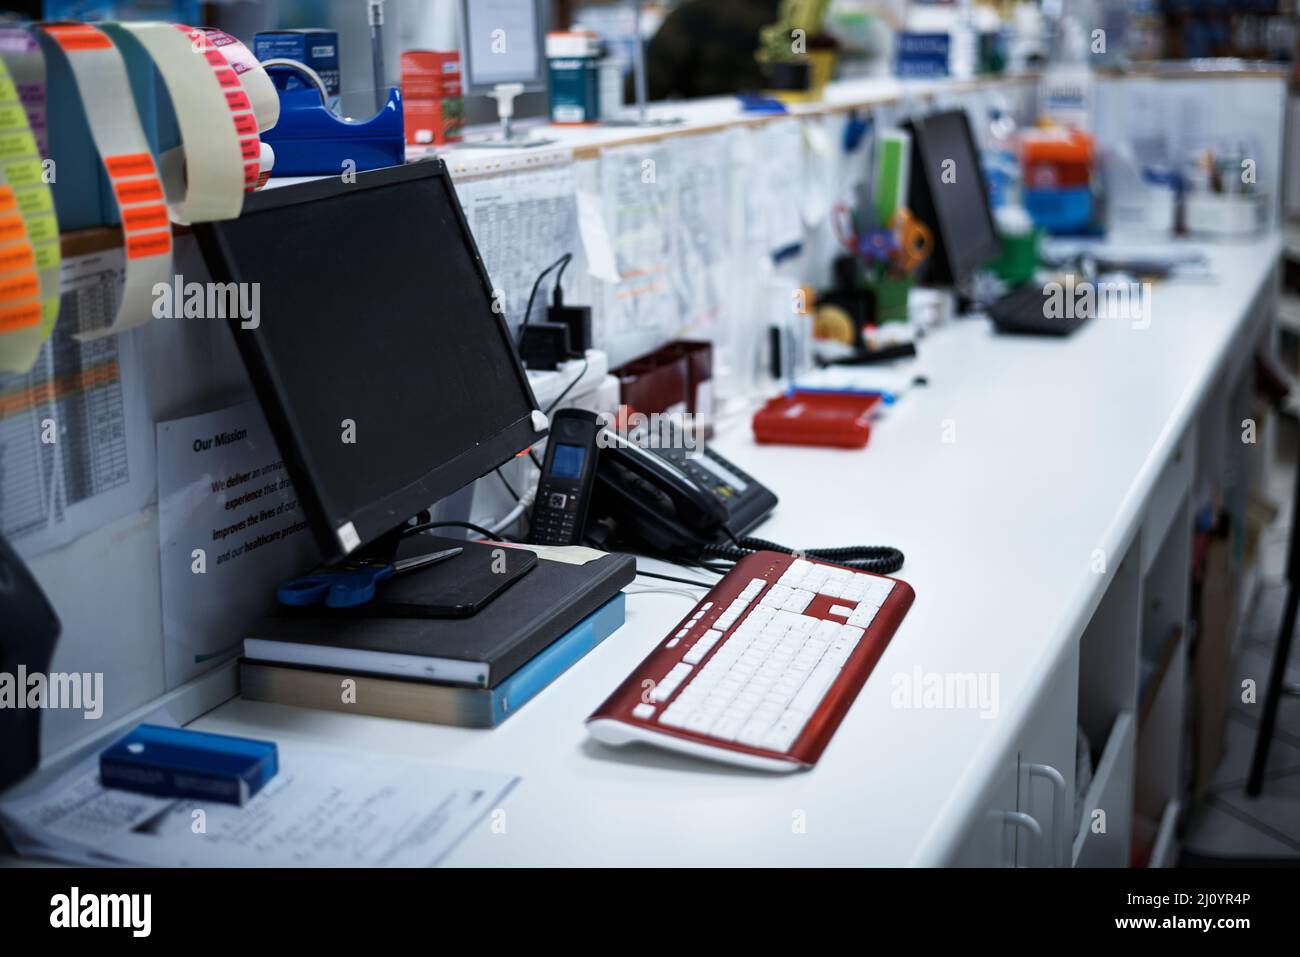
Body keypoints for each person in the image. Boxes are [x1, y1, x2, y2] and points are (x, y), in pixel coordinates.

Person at [642, 0, 782, 100]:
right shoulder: (792, 14)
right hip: (785, 124)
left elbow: (643, 90)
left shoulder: (691, 16)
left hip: (706, 130)